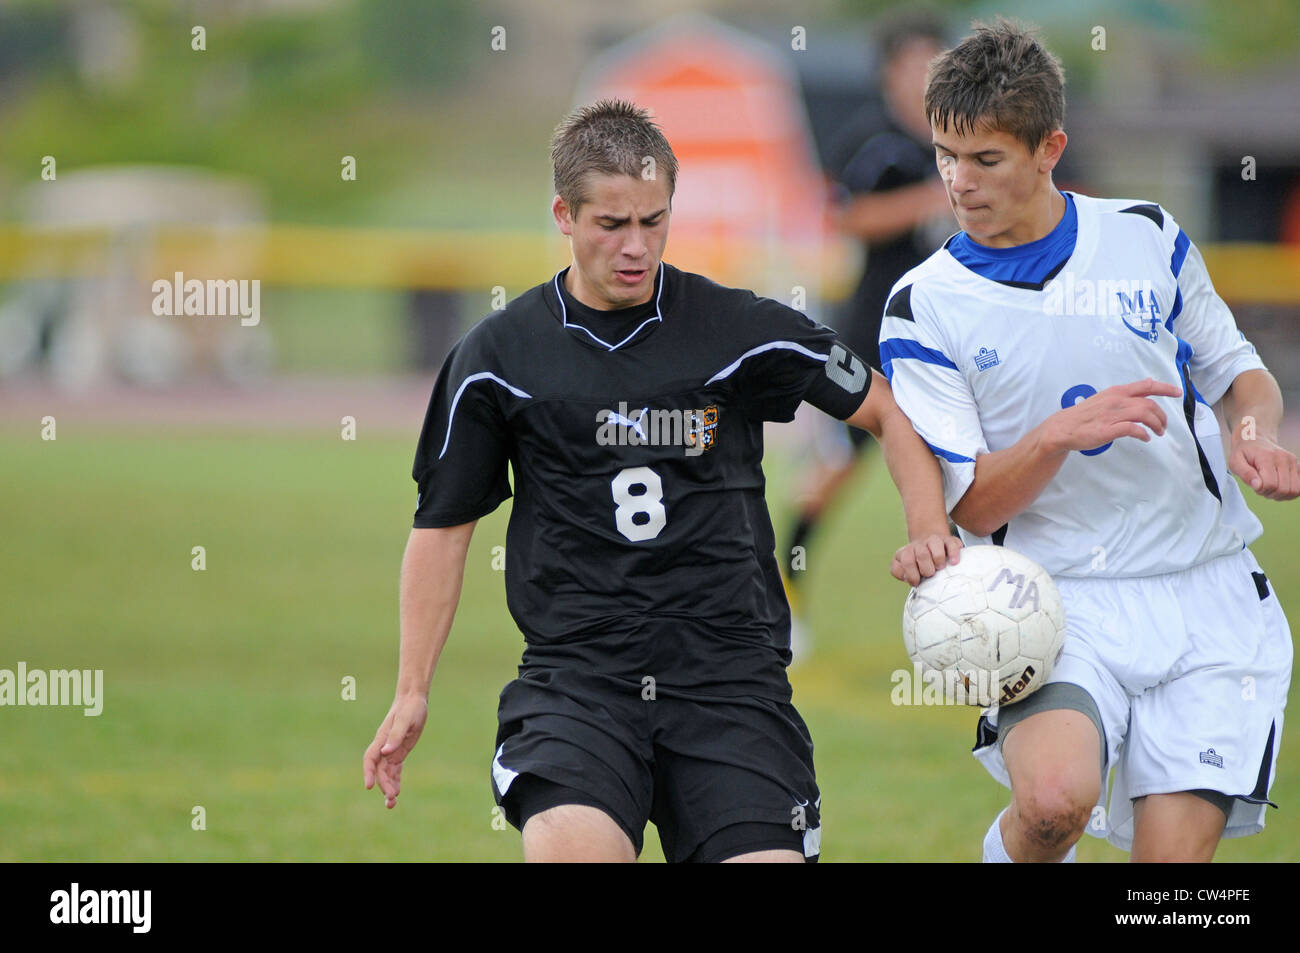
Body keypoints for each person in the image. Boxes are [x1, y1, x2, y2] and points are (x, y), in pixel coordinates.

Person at [363, 99, 961, 863]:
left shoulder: (738, 329)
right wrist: (412, 688)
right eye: (612, 225)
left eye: (654, 220)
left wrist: (927, 527)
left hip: (730, 683)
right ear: (563, 214)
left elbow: (888, 411)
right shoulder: (498, 359)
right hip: (578, 684)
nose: (636, 246)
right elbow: (443, 528)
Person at [881, 20, 1298, 862]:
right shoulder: (924, 305)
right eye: (944, 156)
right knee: (1051, 807)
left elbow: (1241, 377)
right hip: (1053, 596)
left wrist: (1257, 437)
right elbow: (973, 502)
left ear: (1050, 148)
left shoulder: (1146, 236)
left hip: (1207, 592)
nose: (959, 182)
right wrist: (1055, 438)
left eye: (985, 159)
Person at [782, 12, 953, 653]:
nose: (924, 77)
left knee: (967, 463)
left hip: (949, 330)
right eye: (913, 63)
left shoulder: (968, 136)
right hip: (872, 326)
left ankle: (979, 601)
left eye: (935, 62)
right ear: (888, 72)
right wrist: (932, 197)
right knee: (834, 464)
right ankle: (786, 593)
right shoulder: (873, 140)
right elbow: (845, 218)